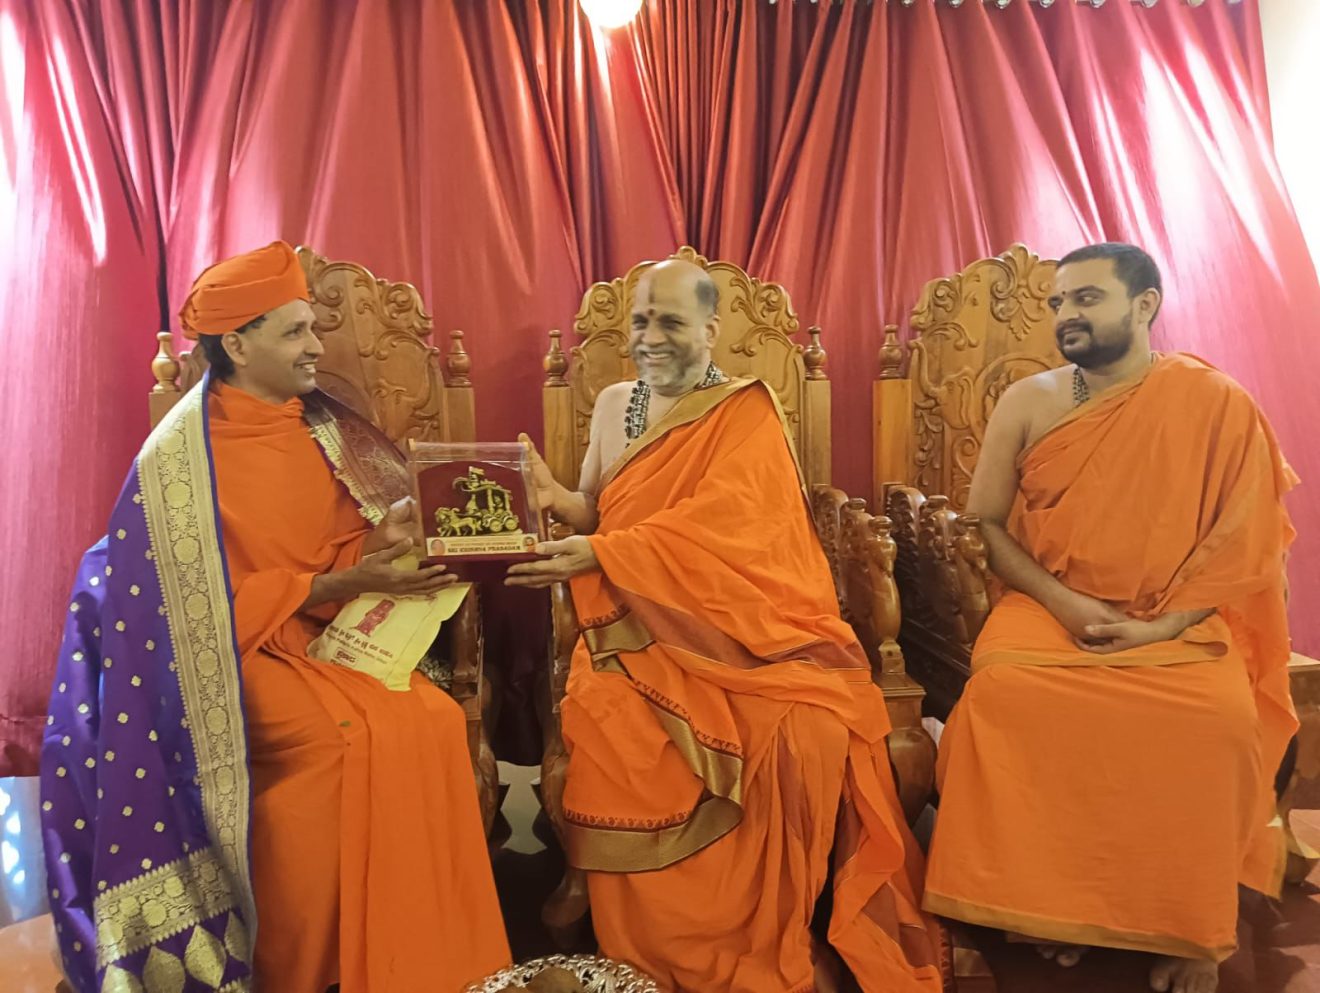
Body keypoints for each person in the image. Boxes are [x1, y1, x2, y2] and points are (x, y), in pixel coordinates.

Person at [40, 241, 509, 992]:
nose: (315, 347)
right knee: (341, 740)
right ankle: (313, 968)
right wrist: (337, 578)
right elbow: (174, 615)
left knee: (430, 719)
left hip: (320, 637)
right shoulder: (177, 459)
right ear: (237, 342)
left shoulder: (322, 428)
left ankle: (427, 966)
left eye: (312, 329)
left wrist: (377, 539)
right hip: (228, 660)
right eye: (295, 332)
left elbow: (331, 542)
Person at [507, 259, 944, 993]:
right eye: (640, 320)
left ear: (710, 329)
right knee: (615, 718)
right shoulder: (617, 403)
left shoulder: (746, 408)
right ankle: (646, 952)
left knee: (806, 727)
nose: (650, 336)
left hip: (741, 629)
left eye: (670, 321)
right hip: (629, 630)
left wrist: (606, 548)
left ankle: (764, 934)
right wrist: (556, 496)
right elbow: (596, 507)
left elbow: (744, 536)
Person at [922, 242, 1297, 993]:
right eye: (1061, 302)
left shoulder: (1213, 400)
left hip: (1178, 617)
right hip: (1047, 606)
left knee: (1217, 720)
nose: (1066, 316)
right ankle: (1056, 909)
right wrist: (1064, 602)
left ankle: (1193, 926)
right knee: (1004, 700)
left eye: (1087, 298)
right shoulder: (1029, 400)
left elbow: (1245, 537)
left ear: (1145, 304)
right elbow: (989, 523)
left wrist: (1164, 626)